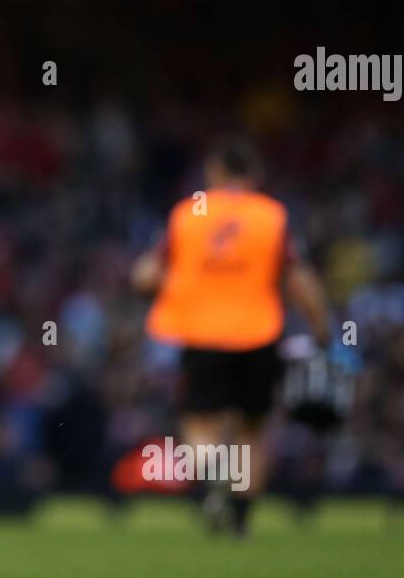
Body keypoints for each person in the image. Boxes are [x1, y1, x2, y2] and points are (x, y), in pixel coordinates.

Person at [132, 135, 329, 535]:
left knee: (201, 422)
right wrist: (321, 327)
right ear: (255, 175)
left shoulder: (188, 214)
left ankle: (210, 477)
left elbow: (146, 275)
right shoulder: (271, 216)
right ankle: (239, 513)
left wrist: (166, 287)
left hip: (201, 333)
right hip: (258, 332)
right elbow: (299, 278)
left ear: (214, 172)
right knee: (252, 429)